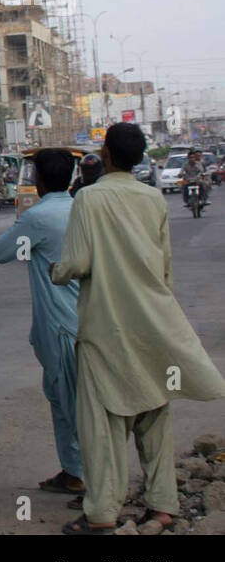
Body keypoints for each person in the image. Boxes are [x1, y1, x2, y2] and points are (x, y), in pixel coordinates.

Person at [51, 123, 225, 534]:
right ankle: (163, 507)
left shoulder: (89, 199)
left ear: (107, 154)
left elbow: (76, 263)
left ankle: (102, 515)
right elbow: (163, 267)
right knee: (155, 415)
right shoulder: (152, 199)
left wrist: (55, 271)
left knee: (103, 428)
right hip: (153, 324)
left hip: (105, 328)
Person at [0, 149, 84, 495]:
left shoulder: (38, 217)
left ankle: (87, 481)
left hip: (60, 324)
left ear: (40, 179)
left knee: (69, 402)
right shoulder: (79, 209)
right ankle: (74, 471)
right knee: (65, 398)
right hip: (79, 319)